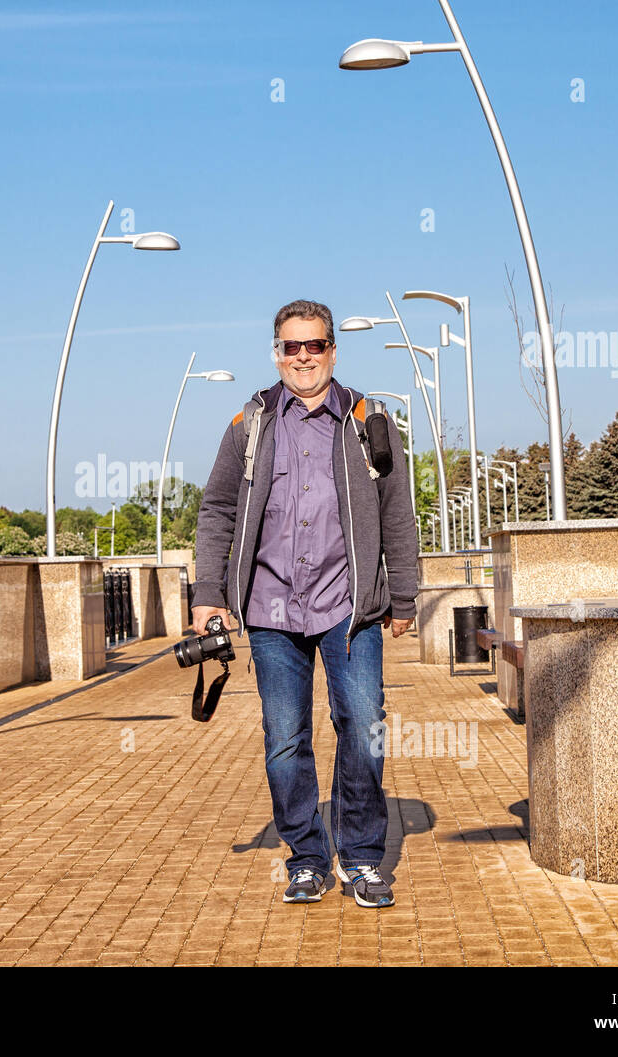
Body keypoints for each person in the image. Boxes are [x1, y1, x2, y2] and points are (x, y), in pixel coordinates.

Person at [191, 299, 418, 906]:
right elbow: (217, 511)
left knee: (363, 728)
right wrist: (208, 595)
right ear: (277, 354)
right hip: (270, 608)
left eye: (313, 345)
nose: (302, 357)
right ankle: (307, 858)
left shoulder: (369, 422)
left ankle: (362, 858)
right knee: (285, 740)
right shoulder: (250, 424)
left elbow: (397, 512)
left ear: (332, 352)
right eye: (291, 347)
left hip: (349, 607)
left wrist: (403, 595)